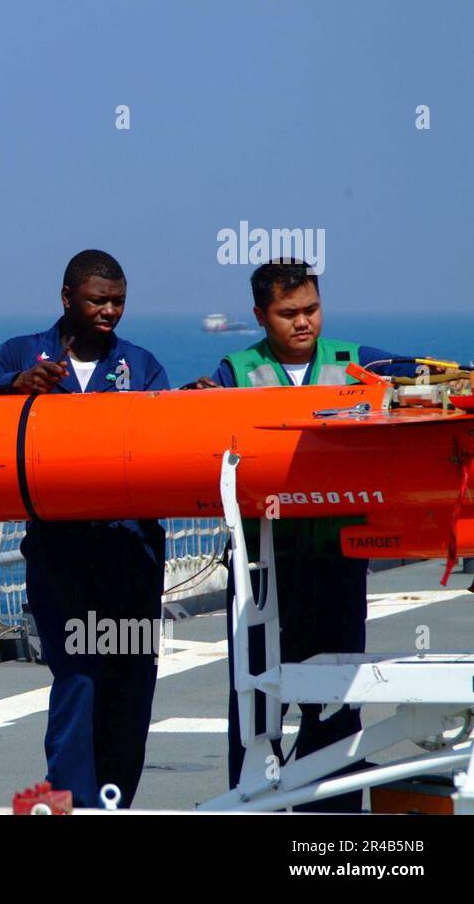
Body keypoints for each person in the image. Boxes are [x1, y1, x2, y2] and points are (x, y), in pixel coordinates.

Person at [187, 258, 416, 812]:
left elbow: (422, 379)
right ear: (261, 316)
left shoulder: (357, 362)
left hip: (336, 565)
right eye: (287, 313)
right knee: (256, 706)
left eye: (311, 309)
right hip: (265, 571)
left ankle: (329, 830)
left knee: (338, 701)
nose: (303, 322)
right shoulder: (233, 372)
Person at [0, 249, 169, 808]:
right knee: (77, 679)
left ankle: (114, 802)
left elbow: (168, 433)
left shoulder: (140, 367)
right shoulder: (22, 354)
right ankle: (73, 798)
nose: (109, 311)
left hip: (132, 557)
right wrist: (14, 386)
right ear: (67, 297)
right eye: (98, 300)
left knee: (131, 682)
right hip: (60, 556)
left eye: (118, 301)